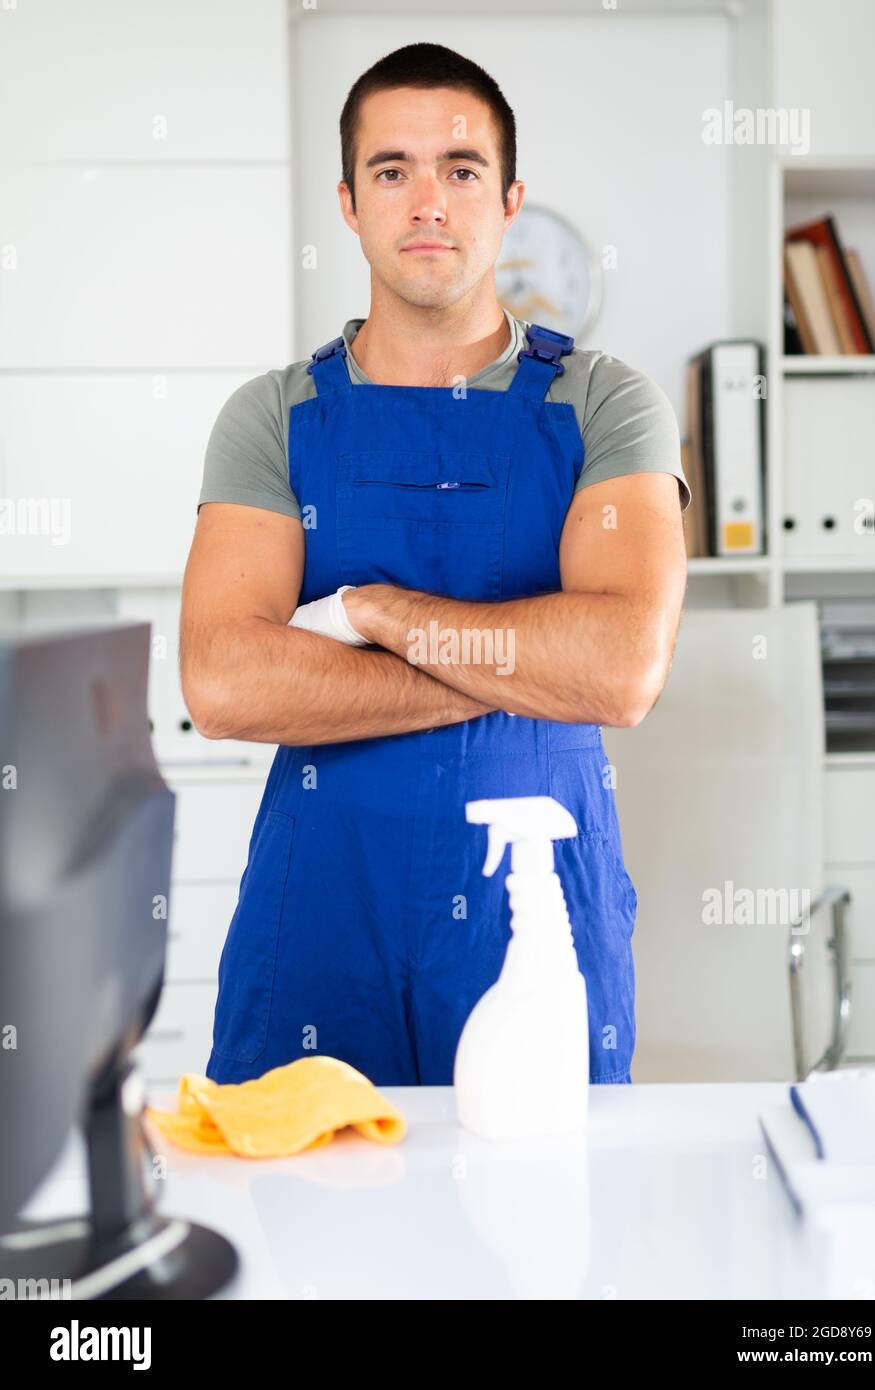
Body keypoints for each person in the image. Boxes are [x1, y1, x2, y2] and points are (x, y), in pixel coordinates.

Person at [180, 42, 690, 1087]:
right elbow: (224, 682)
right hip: (322, 919)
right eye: (392, 168)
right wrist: (513, 664)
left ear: (507, 199)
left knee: (541, 1232)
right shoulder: (273, 417)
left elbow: (620, 668)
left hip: (535, 918)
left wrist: (371, 610)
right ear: (349, 201)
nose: (428, 201)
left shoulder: (603, 403)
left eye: (460, 169)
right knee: (302, 1230)